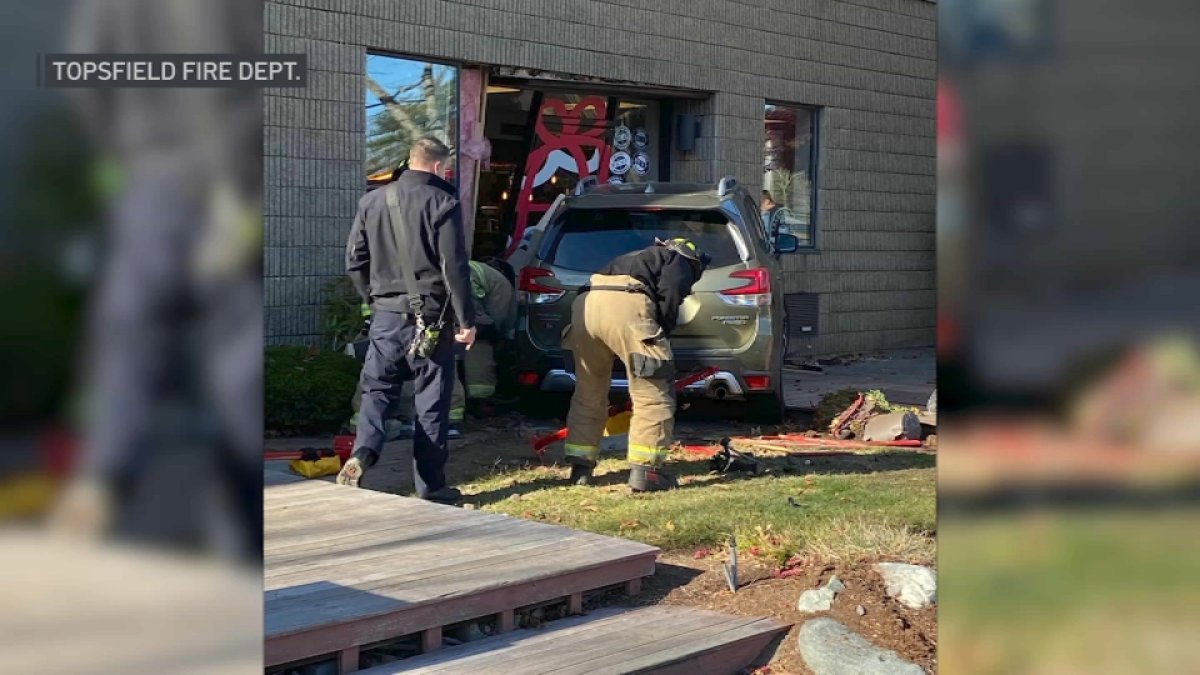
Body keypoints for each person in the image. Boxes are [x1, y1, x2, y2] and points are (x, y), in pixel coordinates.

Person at [338, 137, 476, 504]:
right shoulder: (443, 202)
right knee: (430, 400)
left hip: (385, 316)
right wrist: (467, 319)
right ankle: (430, 487)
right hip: (431, 317)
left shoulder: (370, 201)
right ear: (437, 167)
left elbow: (354, 260)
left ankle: (363, 453)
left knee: (377, 390)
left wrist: (374, 297)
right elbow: (454, 266)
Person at [561, 238, 710, 492]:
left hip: (586, 305)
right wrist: (663, 329)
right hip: (627, 305)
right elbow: (672, 288)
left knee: (589, 392)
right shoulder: (682, 259)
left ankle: (580, 468)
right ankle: (646, 472)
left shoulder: (637, 256)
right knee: (652, 394)